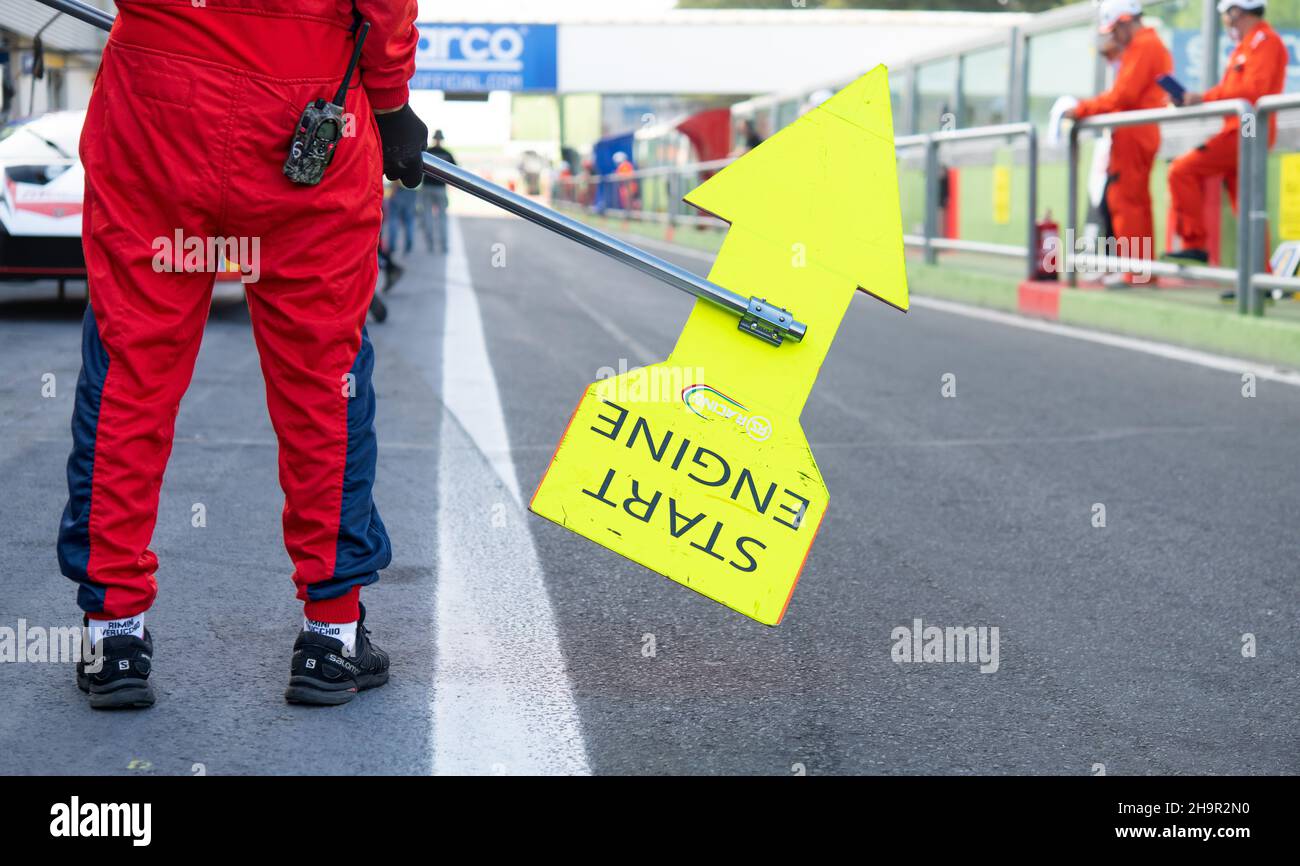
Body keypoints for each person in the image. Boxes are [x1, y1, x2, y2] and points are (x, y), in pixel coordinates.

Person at [61, 0, 428, 708]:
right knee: (326, 383)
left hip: (157, 98)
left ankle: (114, 633)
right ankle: (331, 634)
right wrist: (389, 103)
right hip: (309, 106)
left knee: (130, 370)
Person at [1166, 0, 1287, 263]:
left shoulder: (1265, 41)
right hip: (1239, 130)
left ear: (1238, 11)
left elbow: (1253, 90)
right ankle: (1256, 279)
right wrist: (1202, 98)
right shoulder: (1244, 47)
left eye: (1227, 14)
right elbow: (1233, 92)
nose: (1226, 21)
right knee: (1246, 208)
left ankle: (1195, 243)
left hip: (1249, 130)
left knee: (1182, 170)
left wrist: (1204, 98)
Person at [1064, 0, 1173, 280]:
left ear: (1126, 21)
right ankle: (1140, 270)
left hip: (1135, 133)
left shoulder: (1144, 45)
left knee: (1127, 201)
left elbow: (1122, 96)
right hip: (1136, 131)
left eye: (1115, 29)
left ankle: (1134, 271)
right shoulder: (1144, 45)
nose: (1113, 36)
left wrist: (1081, 109)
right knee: (1133, 200)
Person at [421, 129, 456, 254]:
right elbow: (454, 173)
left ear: (434, 138)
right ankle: (444, 245)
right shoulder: (447, 154)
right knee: (442, 217)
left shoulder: (427, 152)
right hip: (441, 188)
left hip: (427, 188)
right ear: (442, 139)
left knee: (428, 216)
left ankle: (430, 243)